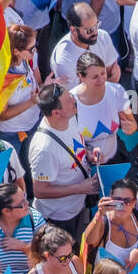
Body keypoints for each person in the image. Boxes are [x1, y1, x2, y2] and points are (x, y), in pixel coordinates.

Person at [27, 82, 101, 239]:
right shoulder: (44, 149)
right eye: (68, 100)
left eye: (71, 96)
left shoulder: (70, 117)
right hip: (58, 218)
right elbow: (40, 191)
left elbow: (72, 150)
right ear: (56, 113)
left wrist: (87, 155)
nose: (74, 100)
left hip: (76, 206)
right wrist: (80, 188)